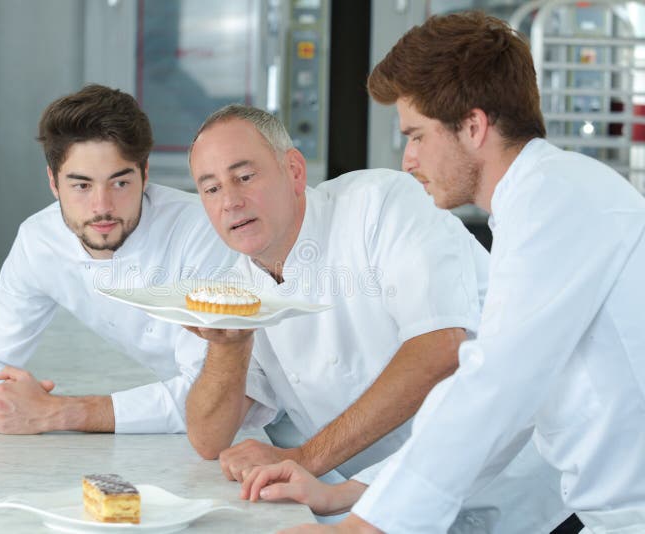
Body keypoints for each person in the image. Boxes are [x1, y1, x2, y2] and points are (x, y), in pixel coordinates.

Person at [242, 11, 645, 534]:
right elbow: (512, 407)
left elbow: (493, 390)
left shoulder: (556, 203)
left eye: (416, 136)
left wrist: (360, 528)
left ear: (473, 127)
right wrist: (349, 495)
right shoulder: (543, 199)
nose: (408, 160)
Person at [177, 103, 570, 532]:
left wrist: (305, 458)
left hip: (523, 498)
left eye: (245, 177)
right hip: (391, 505)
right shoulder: (239, 285)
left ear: (294, 171)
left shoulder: (380, 205)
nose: (230, 202)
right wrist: (228, 347)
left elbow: (440, 348)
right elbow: (209, 439)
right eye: (210, 189)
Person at [0, 84, 235, 435]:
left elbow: (214, 399)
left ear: (145, 174)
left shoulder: (200, 233)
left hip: (270, 421)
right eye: (82, 185)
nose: (102, 207)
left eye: (120, 184)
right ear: (53, 182)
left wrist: (58, 412)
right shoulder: (39, 241)